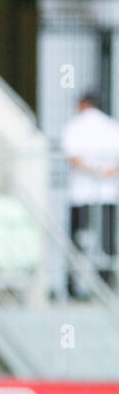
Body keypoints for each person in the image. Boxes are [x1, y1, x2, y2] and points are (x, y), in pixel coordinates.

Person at [61, 91, 119, 297]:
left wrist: (93, 171)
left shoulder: (75, 126)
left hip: (81, 194)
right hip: (107, 193)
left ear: (83, 104)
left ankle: (73, 287)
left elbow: (72, 157)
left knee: (77, 242)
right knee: (107, 242)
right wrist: (105, 172)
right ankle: (105, 285)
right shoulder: (112, 126)